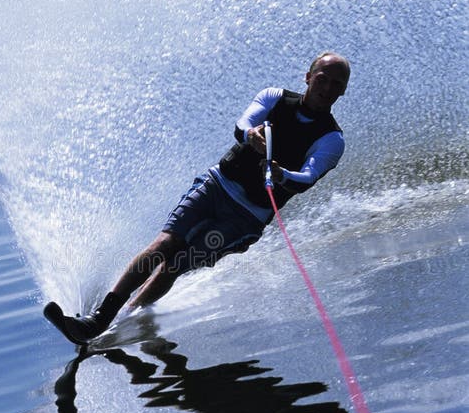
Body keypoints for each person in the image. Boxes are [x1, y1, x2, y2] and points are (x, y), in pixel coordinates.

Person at [44, 51, 350, 344]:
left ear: (343, 91)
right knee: (165, 244)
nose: (327, 87)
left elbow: (307, 177)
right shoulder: (274, 97)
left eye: (337, 84)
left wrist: (282, 174)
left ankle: (127, 316)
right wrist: (250, 136)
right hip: (216, 185)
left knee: (177, 263)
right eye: (322, 78)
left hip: (246, 217)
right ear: (308, 77)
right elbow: (243, 124)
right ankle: (99, 320)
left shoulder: (331, 139)